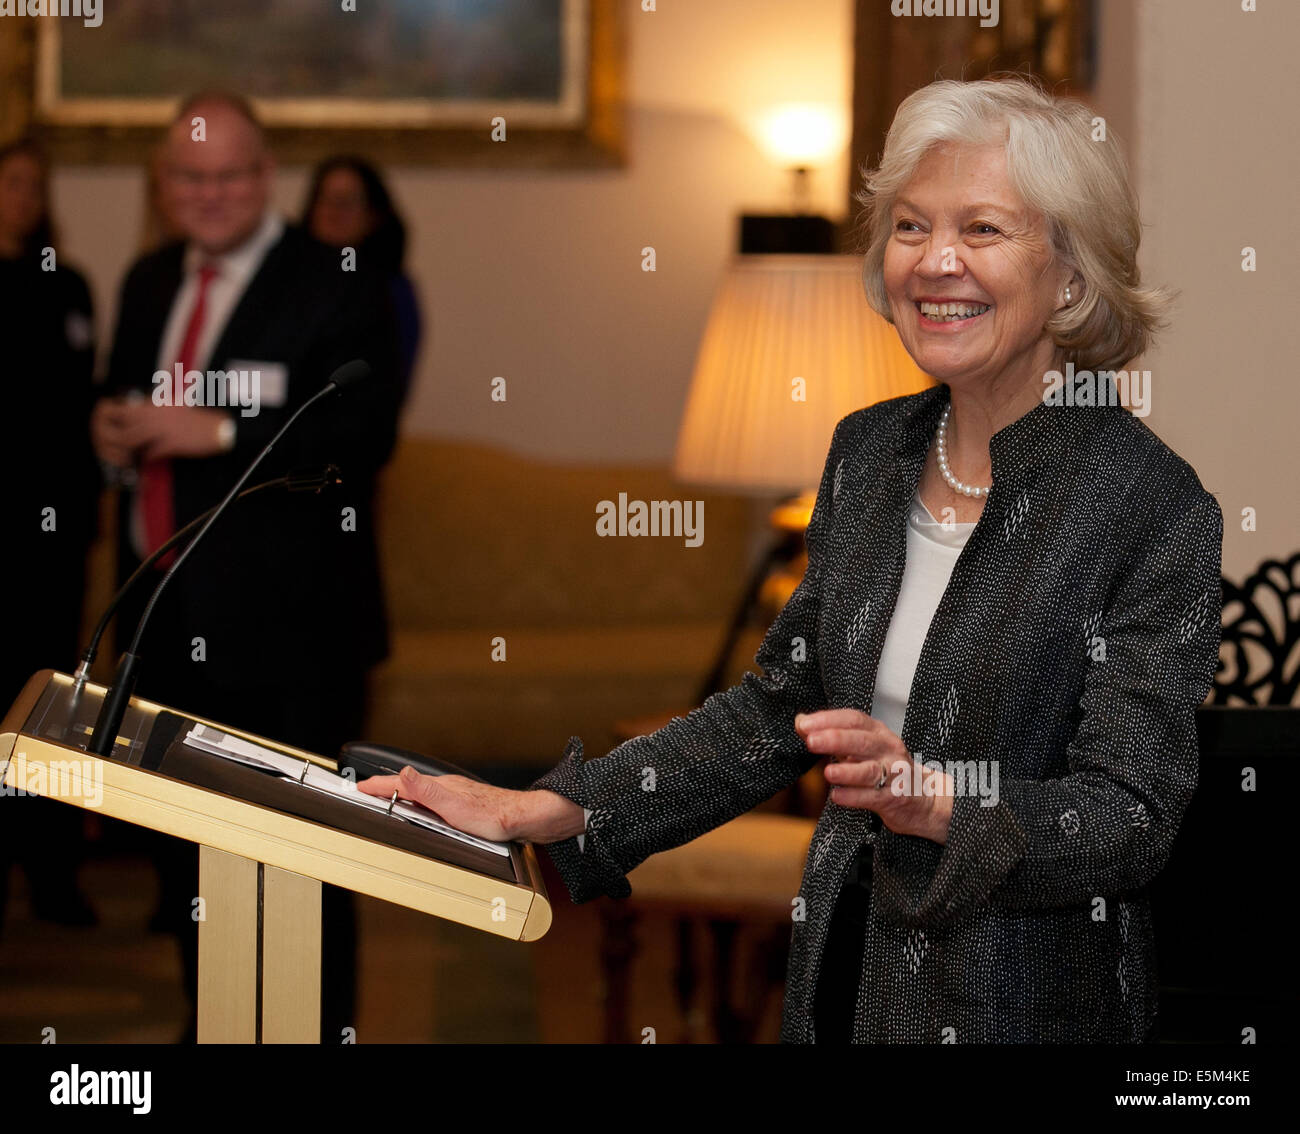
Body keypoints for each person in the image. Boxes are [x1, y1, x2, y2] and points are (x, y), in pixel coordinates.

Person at [360, 75, 1223, 1044]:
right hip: (844, 978)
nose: (935, 261)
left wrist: (935, 800)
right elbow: (778, 713)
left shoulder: (1149, 507)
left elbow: (1129, 813)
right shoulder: (869, 454)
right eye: (908, 226)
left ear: (1070, 275)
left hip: (1025, 1006)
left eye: (981, 230)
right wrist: (550, 806)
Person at [91, 91, 401, 1042]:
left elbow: (360, 433)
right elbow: (124, 408)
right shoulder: (147, 280)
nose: (211, 193)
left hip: (292, 635)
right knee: (190, 861)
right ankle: (217, 1025)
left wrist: (214, 428)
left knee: (304, 857)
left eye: (229, 174)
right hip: (165, 619)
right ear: (163, 184)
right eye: (190, 175)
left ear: (264, 177)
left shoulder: (335, 279)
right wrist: (108, 438)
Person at [0, 139, 99, 934]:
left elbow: (79, 409)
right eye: (12, 181)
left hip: (56, 534)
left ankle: (54, 874)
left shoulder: (67, 286)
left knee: (53, 706)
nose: (25, 196)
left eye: (37, 185)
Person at [301, 156, 422, 407]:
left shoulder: (392, 291)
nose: (334, 212)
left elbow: (387, 388)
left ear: (373, 215)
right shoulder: (285, 283)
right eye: (326, 199)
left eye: (347, 202)